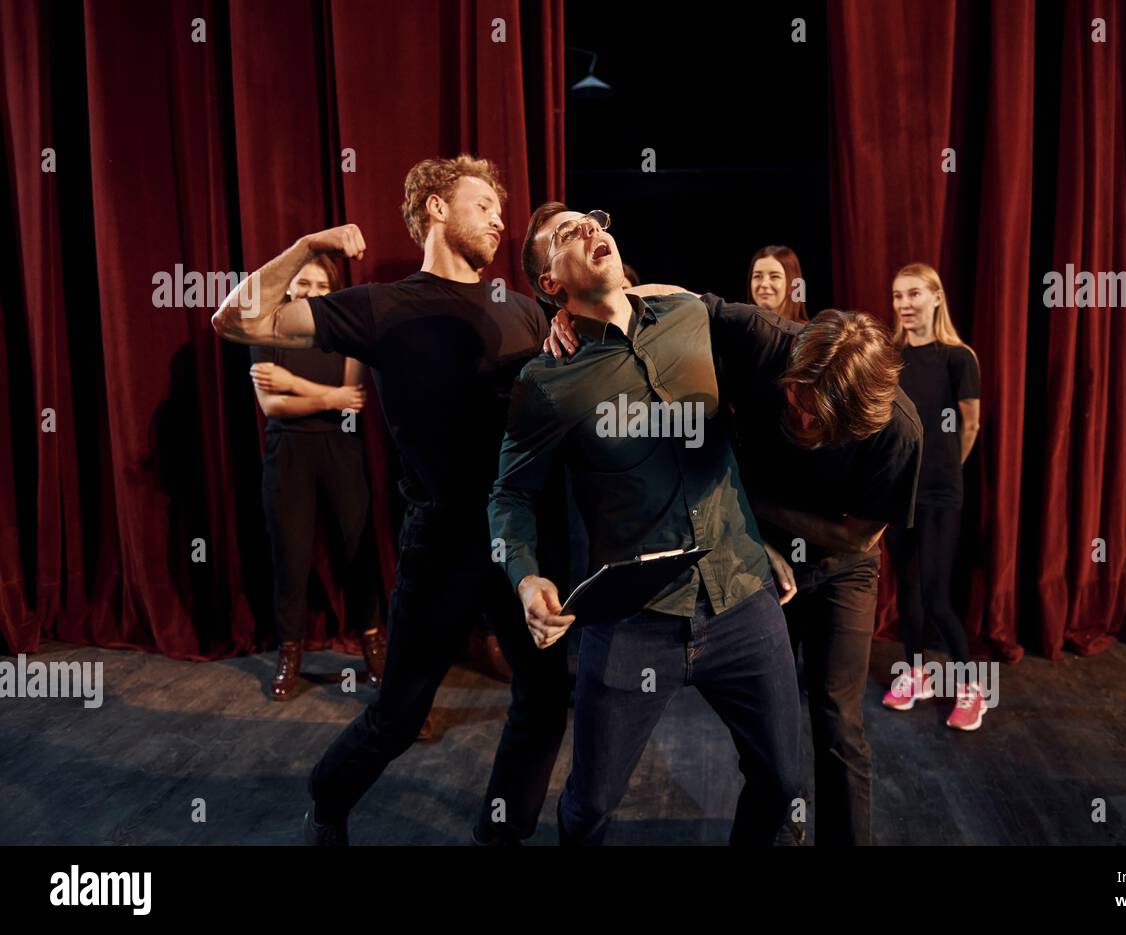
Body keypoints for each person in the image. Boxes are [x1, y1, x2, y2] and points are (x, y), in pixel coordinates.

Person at [212, 154, 571, 847]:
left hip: (522, 537)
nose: (499, 218)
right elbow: (236, 320)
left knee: (547, 697)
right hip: (441, 541)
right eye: (482, 205)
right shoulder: (381, 307)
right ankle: (327, 798)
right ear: (436, 209)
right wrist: (307, 247)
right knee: (401, 715)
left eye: (501, 209)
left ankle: (502, 833)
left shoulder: (525, 311)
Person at [546, 283, 923, 847]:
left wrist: (750, 506)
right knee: (775, 744)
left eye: (812, 417)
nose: (795, 415)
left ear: (853, 424)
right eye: (793, 397)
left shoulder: (898, 432)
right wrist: (578, 309)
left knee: (837, 719)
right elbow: (674, 295)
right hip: (749, 553)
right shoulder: (766, 339)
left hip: (842, 564)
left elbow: (859, 538)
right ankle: (782, 825)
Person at [491, 203, 805, 845]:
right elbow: (509, 497)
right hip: (633, 620)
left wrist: (760, 530)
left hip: (743, 598)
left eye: (592, 221)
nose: (589, 233)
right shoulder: (547, 382)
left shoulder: (691, 316)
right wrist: (525, 580)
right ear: (551, 284)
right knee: (590, 806)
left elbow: (744, 433)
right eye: (565, 237)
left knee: (782, 784)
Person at [248, 255, 385, 700]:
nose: (308, 291)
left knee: (356, 550)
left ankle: (372, 643)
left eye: (319, 285)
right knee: (290, 555)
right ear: (288, 289)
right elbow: (272, 408)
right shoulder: (264, 332)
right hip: (287, 451)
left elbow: (353, 401)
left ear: (332, 291)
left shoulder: (345, 335)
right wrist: (328, 395)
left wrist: (290, 382)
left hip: (339, 448)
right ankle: (290, 650)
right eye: (301, 283)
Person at [881, 262, 985, 730]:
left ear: (936, 298)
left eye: (914, 294)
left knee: (938, 596)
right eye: (899, 296)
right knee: (908, 593)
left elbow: (970, 424)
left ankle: (970, 689)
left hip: (941, 491)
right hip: (900, 493)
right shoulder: (890, 358)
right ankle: (917, 674)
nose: (904, 304)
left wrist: (944, 469)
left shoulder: (958, 357)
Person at [747, 245, 807, 322]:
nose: (764, 284)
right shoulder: (738, 330)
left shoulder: (807, 333)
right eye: (757, 276)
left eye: (774, 276)